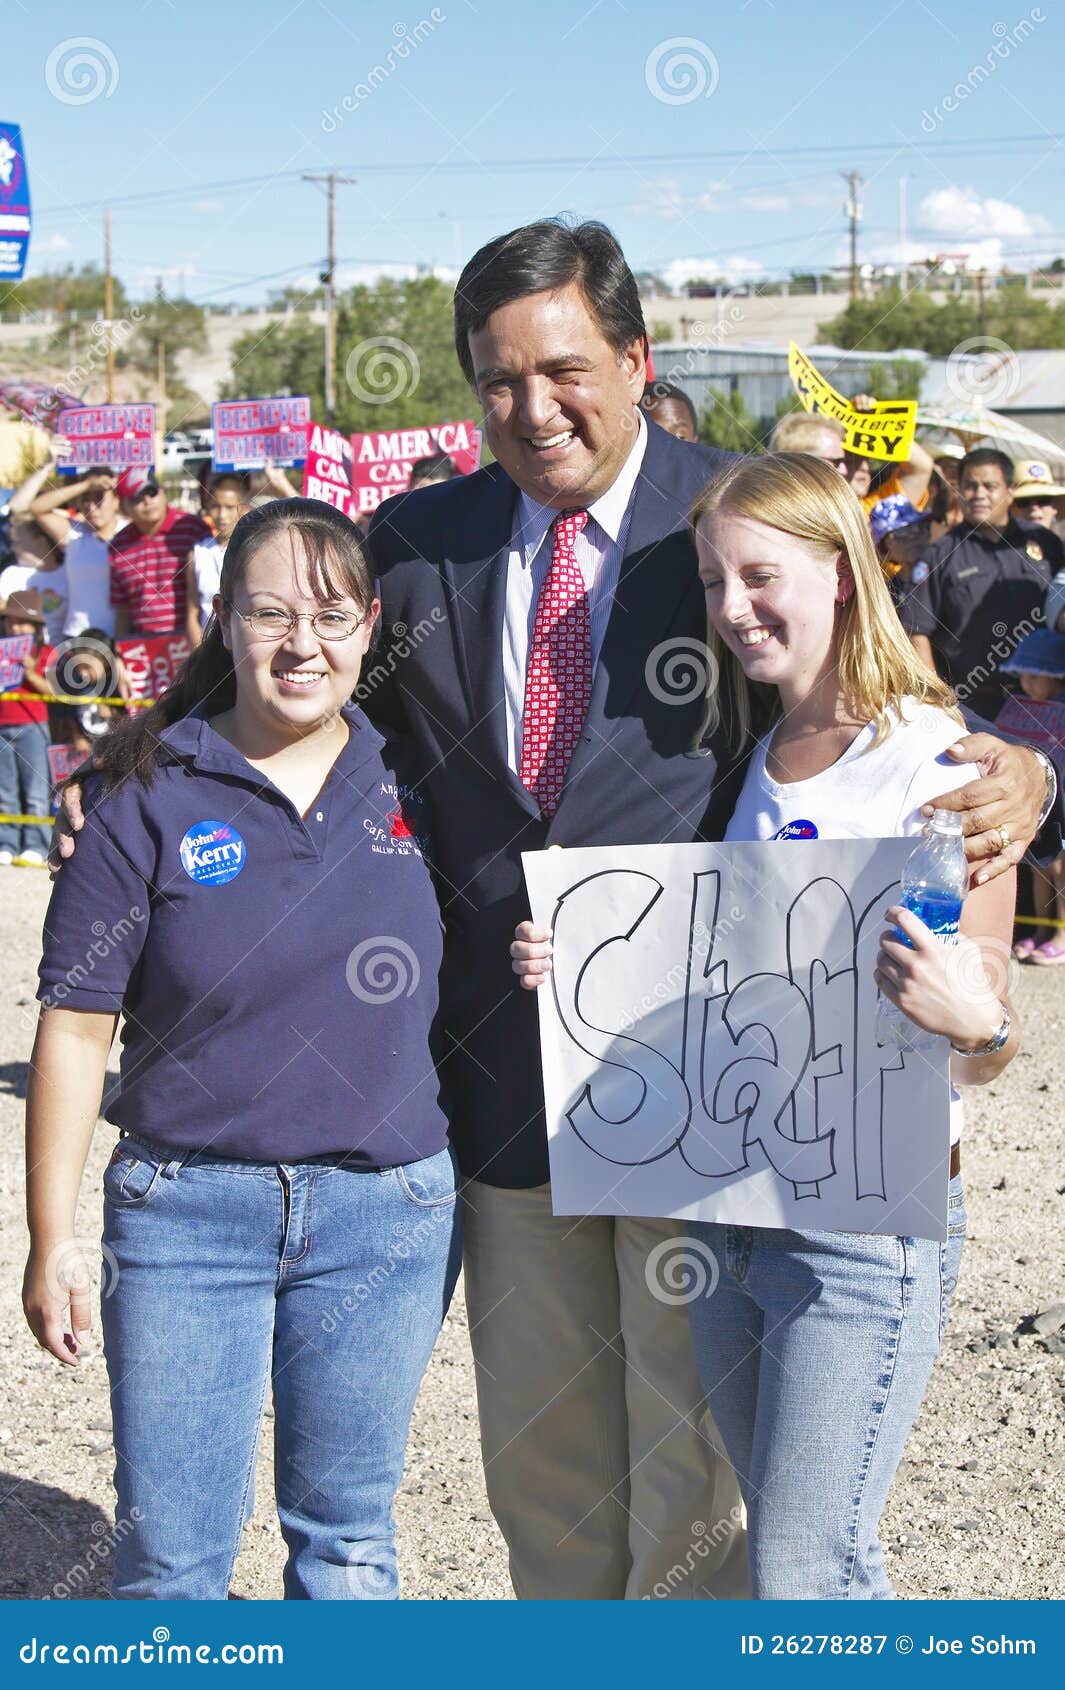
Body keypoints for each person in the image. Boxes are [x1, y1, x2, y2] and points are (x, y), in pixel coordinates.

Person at [52, 217, 1055, 1603]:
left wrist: (1022, 767)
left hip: (707, 1087)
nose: (534, 409)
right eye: (499, 381)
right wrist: (137, 758)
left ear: (636, 359)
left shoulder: (727, 521)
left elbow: (861, 687)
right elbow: (287, 678)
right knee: (548, 1476)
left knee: (696, 1490)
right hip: (495, 1073)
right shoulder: (419, 545)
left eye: (565, 369)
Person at [515, 451, 1020, 1599]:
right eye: (713, 580)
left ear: (841, 572)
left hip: (863, 1223)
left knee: (805, 1564)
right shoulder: (738, 755)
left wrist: (976, 1024)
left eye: (760, 575)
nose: (733, 607)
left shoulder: (938, 761)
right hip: (733, 1214)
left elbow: (992, 1041)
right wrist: (583, 957)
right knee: (800, 1558)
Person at [23, 498, 461, 1600]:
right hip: (186, 1217)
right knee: (172, 1564)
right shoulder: (140, 796)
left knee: (349, 1543)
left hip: (385, 1216)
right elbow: (75, 1028)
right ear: (223, 621)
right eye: (270, 614)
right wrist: (51, 1236)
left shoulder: (427, 780)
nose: (301, 643)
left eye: (330, 615)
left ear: (370, 627)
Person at [899, 447, 1065, 720]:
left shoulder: (1046, 543)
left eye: (990, 486)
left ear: (1009, 491)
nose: (979, 494)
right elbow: (916, 631)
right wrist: (936, 701)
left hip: (1046, 705)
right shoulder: (939, 555)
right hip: (974, 708)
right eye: (970, 486)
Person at [997, 627, 1065, 966]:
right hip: (1042, 801)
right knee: (1039, 864)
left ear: (1057, 675)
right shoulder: (1023, 707)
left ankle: (1061, 934)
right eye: (1022, 675)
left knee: (1061, 867)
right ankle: (1040, 930)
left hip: (1061, 799)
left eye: (1035, 676)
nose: (1026, 683)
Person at [18, 444, 121, 637]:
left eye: (99, 498)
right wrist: (86, 485)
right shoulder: (75, 534)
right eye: (85, 499)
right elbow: (36, 508)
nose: (92, 507)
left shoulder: (128, 532)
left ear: (116, 501)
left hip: (119, 634)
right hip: (77, 636)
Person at [109, 466, 211, 638]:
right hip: (142, 643)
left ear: (162, 492)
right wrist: (121, 644)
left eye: (152, 492)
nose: (147, 501)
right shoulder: (118, 546)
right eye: (137, 498)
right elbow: (122, 609)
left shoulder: (193, 528)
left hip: (194, 639)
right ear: (124, 507)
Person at [0, 590, 54, 866]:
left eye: (22, 622)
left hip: (33, 726)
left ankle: (36, 843)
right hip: (2, 725)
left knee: (35, 791)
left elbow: (53, 692)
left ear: (36, 626)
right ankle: (7, 842)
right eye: (10, 621)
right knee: (4, 791)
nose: (15, 628)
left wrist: (30, 671)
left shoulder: (45, 652)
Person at [186, 475, 249, 645]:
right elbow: (193, 611)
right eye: (215, 506)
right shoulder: (198, 553)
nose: (221, 515)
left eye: (230, 507)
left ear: (244, 508)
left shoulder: (254, 549)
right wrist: (200, 652)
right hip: (209, 646)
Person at [1011, 460, 1065, 539]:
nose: (1034, 507)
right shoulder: (999, 545)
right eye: (1024, 501)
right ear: (1011, 509)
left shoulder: (1059, 546)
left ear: (1054, 508)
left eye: (1044, 500)